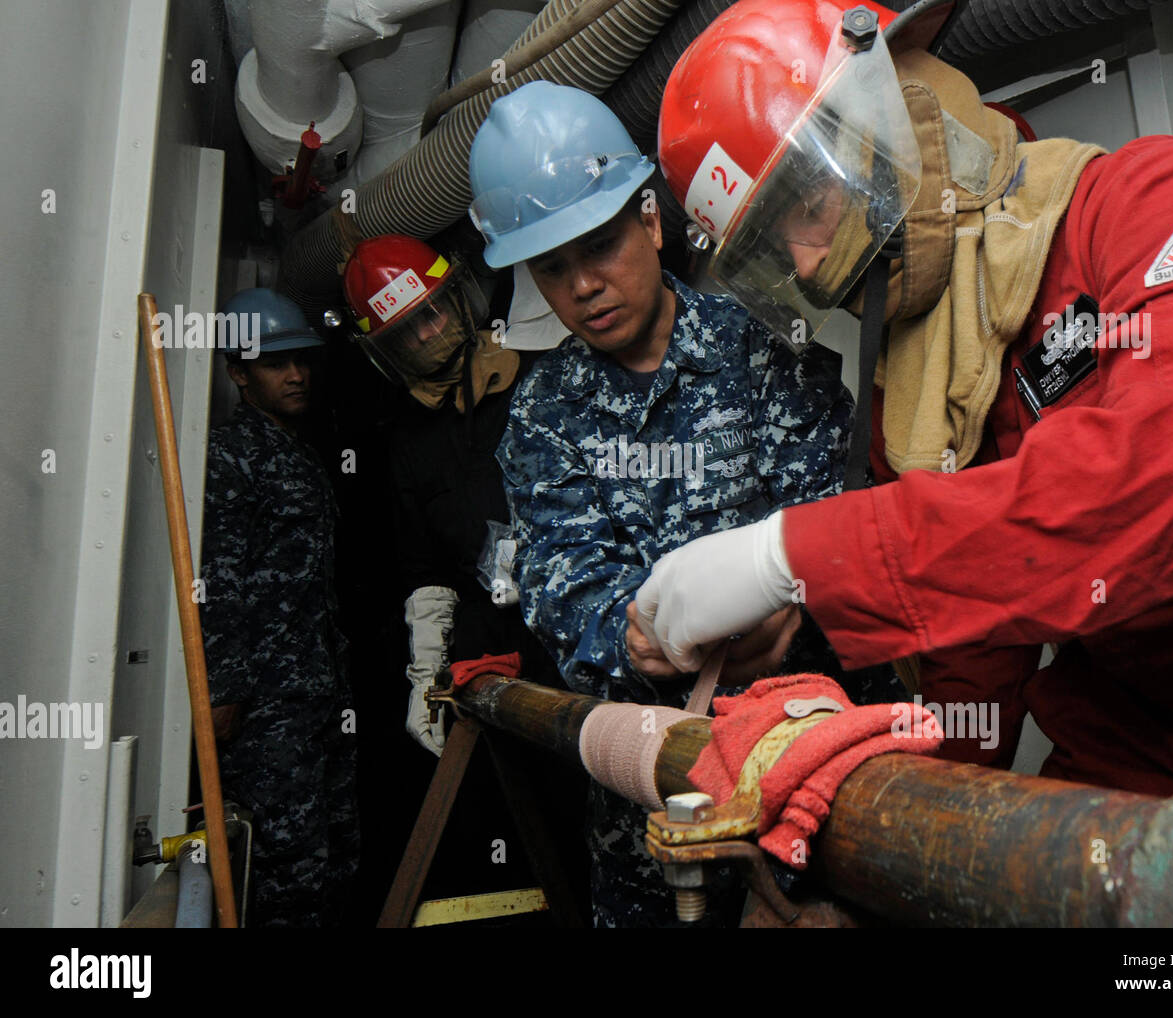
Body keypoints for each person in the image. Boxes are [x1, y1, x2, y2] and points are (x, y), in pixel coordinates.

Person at [637, 0, 1173, 794]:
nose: (809, 268)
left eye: (806, 205)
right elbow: (976, 653)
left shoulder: (1163, 199)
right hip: (1127, 741)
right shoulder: (916, 398)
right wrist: (897, 805)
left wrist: (794, 555)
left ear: (903, 121)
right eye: (776, 250)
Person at [469, 81, 860, 926]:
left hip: (799, 781)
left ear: (650, 222)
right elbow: (565, 590)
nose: (582, 286)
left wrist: (788, 611)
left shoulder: (763, 347)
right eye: (552, 267)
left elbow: (833, 528)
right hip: (648, 813)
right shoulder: (543, 416)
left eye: (600, 245)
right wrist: (637, 641)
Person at [340, 235, 590, 914]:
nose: (431, 331)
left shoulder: (545, 376)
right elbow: (424, 570)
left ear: (458, 298)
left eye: (434, 311)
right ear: (387, 351)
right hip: (494, 659)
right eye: (409, 330)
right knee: (514, 828)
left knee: (602, 816)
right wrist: (425, 676)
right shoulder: (407, 446)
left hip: (578, 635)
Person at [200, 287, 358, 927]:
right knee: (284, 871)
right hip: (266, 709)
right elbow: (216, 578)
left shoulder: (298, 451)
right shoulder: (229, 457)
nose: (296, 375)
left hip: (318, 689)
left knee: (335, 857)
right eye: (274, 364)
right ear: (239, 375)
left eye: (300, 360)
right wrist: (226, 689)